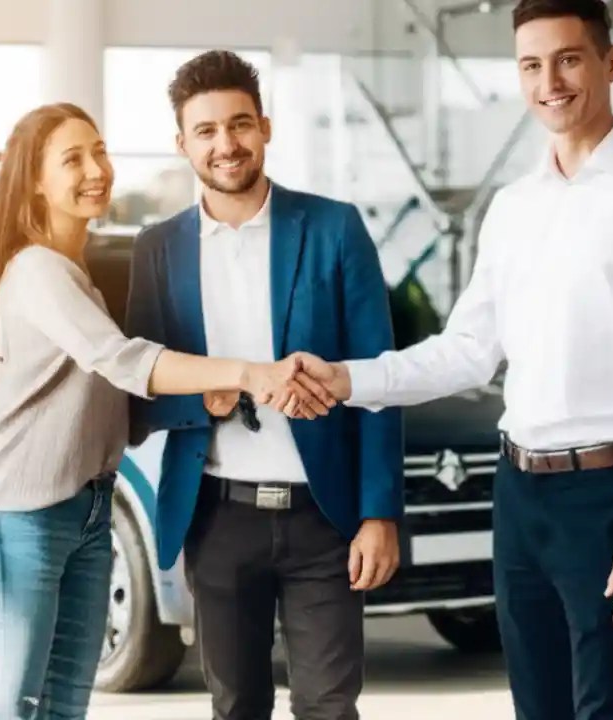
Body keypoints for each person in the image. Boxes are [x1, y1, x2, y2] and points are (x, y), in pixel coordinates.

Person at [296, 1, 613, 718]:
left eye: (568, 58)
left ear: (610, 63)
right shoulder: (511, 207)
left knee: (611, 708)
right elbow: (468, 352)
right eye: (531, 65)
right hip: (520, 493)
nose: (549, 81)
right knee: (538, 708)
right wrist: (350, 379)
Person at [0, 102, 333, 720]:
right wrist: (245, 373)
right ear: (35, 181)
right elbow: (121, 358)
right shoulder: (36, 270)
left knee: (61, 710)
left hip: (87, 514)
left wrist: (200, 395)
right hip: (20, 522)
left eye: (98, 151)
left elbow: (113, 398)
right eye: (71, 159)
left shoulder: (75, 275)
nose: (94, 169)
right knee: (7, 711)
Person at [125, 51, 404, 720]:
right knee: (235, 707)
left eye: (240, 124)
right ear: (182, 143)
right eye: (207, 130)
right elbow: (137, 393)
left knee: (331, 708)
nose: (227, 145)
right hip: (216, 516)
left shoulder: (335, 229)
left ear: (266, 128)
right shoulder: (157, 249)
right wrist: (203, 397)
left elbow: (378, 380)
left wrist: (380, 513)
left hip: (326, 517)